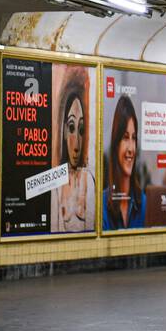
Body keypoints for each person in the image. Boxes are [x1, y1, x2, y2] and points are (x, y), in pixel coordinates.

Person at [50, 66, 96, 232]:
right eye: (71, 128)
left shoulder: (89, 181)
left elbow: (92, 229)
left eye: (81, 130)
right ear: (63, 131)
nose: (76, 143)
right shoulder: (55, 182)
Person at [103, 94, 146, 230]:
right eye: (125, 137)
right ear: (116, 144)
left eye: (134, 138)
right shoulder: (102, 204)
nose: (131, 148)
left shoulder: (143, 202)